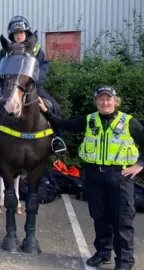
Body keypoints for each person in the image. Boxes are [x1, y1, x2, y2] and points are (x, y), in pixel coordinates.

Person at [38, 86, 142, 270]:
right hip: (94, 176)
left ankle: (125, 261)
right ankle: (103, 254)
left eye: (108, 99)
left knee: (122, 221)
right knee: (99, 217)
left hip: (120, 177)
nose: (105, 103)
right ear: (96, 102)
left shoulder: (128, 121)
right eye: (101, 99)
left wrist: (140, 164)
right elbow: (64, 124)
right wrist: (46, 111)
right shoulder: (90, 120)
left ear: (115, 101)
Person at [0, 15, 66, 153]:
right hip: (9, 87)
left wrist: (38, 80)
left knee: (54, 106)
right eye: (16, 33)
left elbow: (43, 67)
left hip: (32, 86)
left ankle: (57, 139)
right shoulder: (5, 51)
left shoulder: (37, 50)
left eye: (21, 32)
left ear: (26, 33)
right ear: (12, 35)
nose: (19, 35)